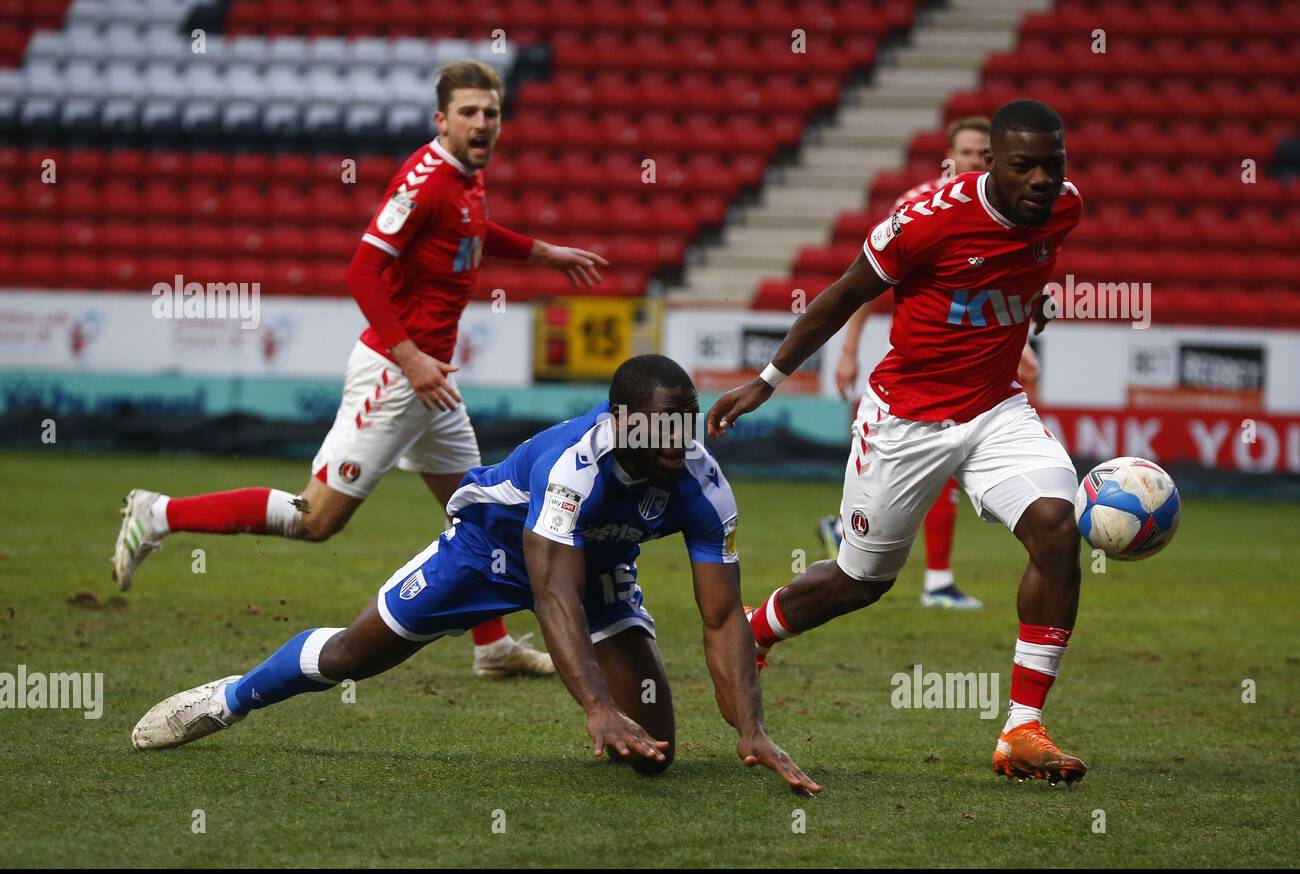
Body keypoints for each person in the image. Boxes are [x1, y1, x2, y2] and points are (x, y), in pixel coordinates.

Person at [111, 60, 608, 679]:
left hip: (430, 379)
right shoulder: (425, 181)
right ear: (441, 121)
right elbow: (361, 270)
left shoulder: (465, 178)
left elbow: (470, 230)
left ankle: (492, 646)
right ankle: (157, 513)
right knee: (314, 518)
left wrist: (542, 252)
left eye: (492, 113)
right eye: (469, 113)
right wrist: (411, 358)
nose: (482, 123)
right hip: (397, 375)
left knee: (474, 505)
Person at [132, 355, 822, 796]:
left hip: (601, 567)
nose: (680, 444)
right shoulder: (572, 466)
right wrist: (593, 704)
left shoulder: (703, 480)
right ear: (621, 424)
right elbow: (551, 593)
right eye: (663, 429)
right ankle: (231, 697)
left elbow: (724, 616)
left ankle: (619, 732)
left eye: (687, 427)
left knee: (654, 757)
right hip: (489, 552)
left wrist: (751, 726)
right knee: (352, 656)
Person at [710, 100, 1087, 784]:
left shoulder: (1065, 208)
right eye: (1024, 166)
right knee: (860, 582)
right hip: (905, 420)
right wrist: (766, 382)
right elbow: (841, 297)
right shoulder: (927, 221)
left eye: (1053, 166)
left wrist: (1033, 311)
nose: (1042, 180)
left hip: (996, 409)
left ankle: (1021, 728)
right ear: (991, 164)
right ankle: (756, 628)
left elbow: (1023, 271)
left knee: (1060, 528)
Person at [818, 116, 1040, 611]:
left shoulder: (1009, 209)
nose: (976, 162)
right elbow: (865, 285)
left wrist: (1019, 343)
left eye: (986, 154)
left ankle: (927, 573)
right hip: (921, 360)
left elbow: (1004, 282)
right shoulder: (919, 208)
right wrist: (850, 350)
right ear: (949, 156)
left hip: (968, 365)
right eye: (967, 153)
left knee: (947, 462)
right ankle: (926, 574)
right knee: (931, 461)